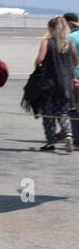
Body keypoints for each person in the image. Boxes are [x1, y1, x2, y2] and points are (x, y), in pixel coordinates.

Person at [33, 16, 76, 153]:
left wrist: (37, 67)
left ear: (52, 29)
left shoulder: (47, 42)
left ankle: (50, 141)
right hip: (65, 83)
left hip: (50, 83)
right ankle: (68, 134)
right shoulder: (70, 44)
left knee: (49, 113)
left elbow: (40, 59)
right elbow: (75, 62)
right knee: (63, 112)